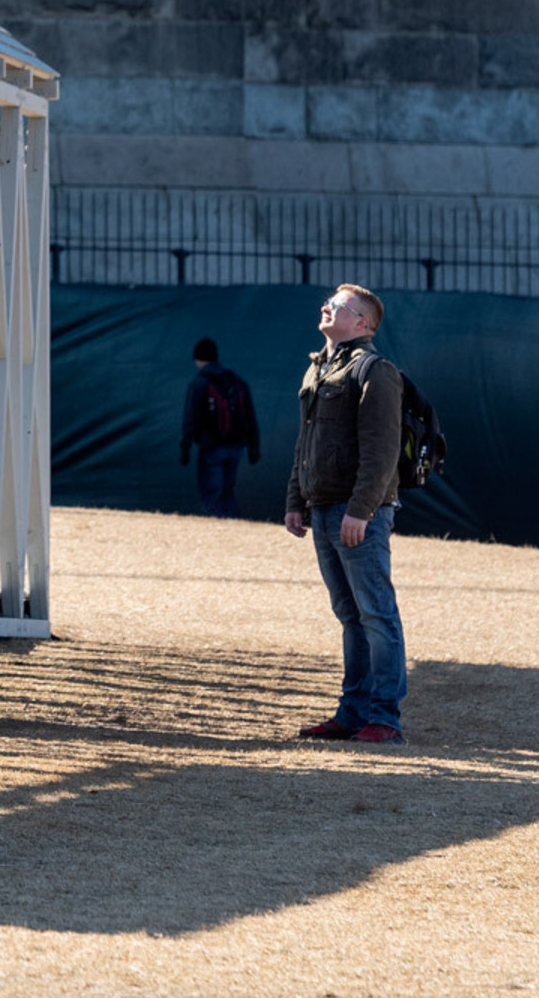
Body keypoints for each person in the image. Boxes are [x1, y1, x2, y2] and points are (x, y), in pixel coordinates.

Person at [283, 283, 408, 744]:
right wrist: (296, 501)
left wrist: (362, 510)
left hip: (357, 515)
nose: (326, 307)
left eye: (337, 306)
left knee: (376, 614)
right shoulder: (318, 370)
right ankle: (353, 713)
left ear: (363, 324)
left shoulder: (375, 371)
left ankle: (384, 718)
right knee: (350, 615)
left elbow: (382, 452)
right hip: (323, 508)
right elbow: (305, 444)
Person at [178, 336, 259, 517]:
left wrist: (185, 447)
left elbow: (190, 418)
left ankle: (216, 530)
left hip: (211, 446)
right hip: (236, 445)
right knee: (227, 492)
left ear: (198, 358)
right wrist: (254, 446)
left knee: (212, 492)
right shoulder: (236, 381)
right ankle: (233, 525)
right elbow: (250, 416)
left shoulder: (199, 382)